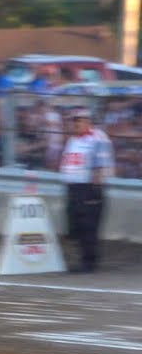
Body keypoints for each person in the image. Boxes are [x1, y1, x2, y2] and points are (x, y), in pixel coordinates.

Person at [59, 109, 114, 273]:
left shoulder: (97, 138)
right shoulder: (72, 140)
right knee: (75, 226)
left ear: (88, 122)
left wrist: (95, 187)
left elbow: (101, 164)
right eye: (74, 121)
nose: (76, 124)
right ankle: (84, 258)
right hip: (74, 187)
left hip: (88, 187)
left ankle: (89, 261)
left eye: (80, 120)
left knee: (88, 225)